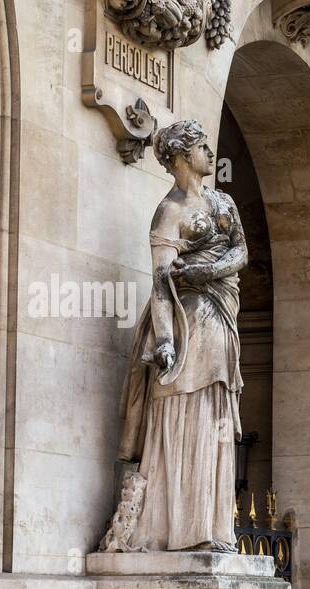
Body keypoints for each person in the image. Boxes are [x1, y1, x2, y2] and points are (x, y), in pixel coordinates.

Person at [114, 119, 247, 551]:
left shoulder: (223, 201)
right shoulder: (169, 211)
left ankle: (212, 526)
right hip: (190, 321)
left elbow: (242, 252)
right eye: (203, 146)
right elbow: (160, 283)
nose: (211, 152)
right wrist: (165, 340)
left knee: (215, 414)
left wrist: (207, 270)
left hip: (221, 318)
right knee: (187, 414)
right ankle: (182, 528)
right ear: (181, 156)